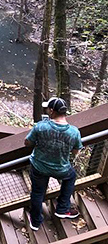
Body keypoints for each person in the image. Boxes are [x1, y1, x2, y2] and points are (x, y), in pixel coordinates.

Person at [25, 97, 82, 231]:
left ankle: (35, 221)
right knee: (71, 177)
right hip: (60, 168)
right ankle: (62, 208)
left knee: (38, 192)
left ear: (52, 111)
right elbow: (76, 151)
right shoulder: (74, 132)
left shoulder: (41, 126)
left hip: (39, 166)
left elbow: (27, 142)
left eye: (48, 108)